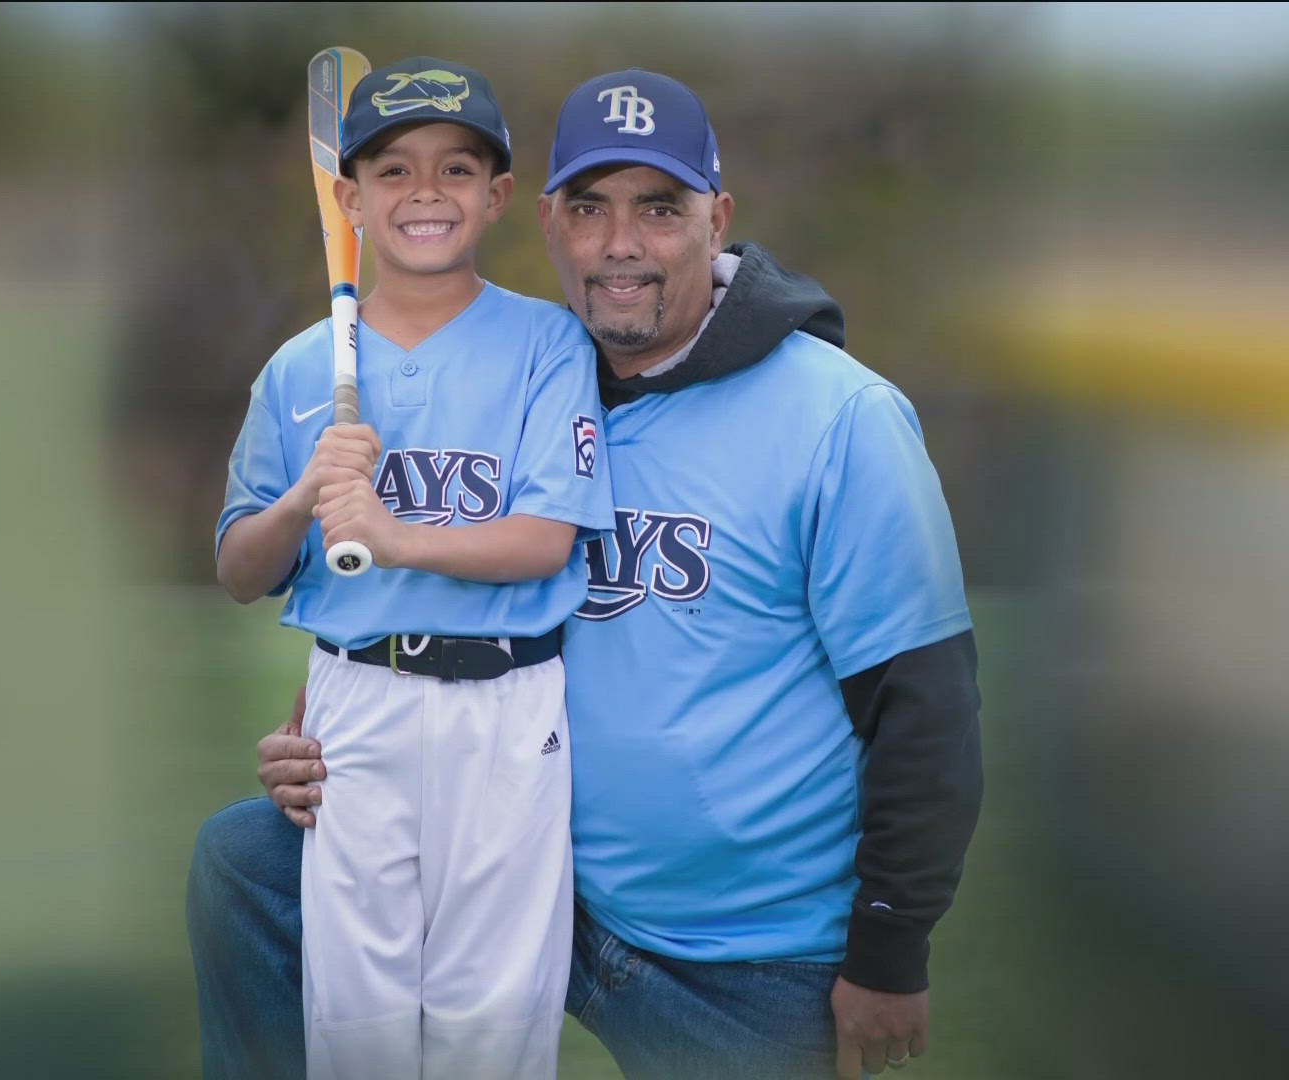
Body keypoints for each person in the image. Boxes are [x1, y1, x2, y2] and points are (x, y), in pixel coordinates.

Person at [191, 68, 982, 1080]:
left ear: (717, 218)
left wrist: (890, 946)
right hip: (529, 858)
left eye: (660, 209)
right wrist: (335, 712)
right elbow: (434, 591)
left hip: (740, 961)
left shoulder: (841, 418)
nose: (621, 245)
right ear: (552, 223)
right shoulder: (532, 375)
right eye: (593, 209)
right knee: (244, 866)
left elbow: (926, 703)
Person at [211, 57, 615, 1080]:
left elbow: (545, 540)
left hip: (510, 702)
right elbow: (238, 567)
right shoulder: (302, 370)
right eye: (392, 172)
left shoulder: (546, 343)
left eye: (456, 169)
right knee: (360, 1025)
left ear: (497, 197)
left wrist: (392, 534)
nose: (425, 193)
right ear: (349, 199)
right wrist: (306, 498)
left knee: (495, 1026)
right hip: (358, 702)